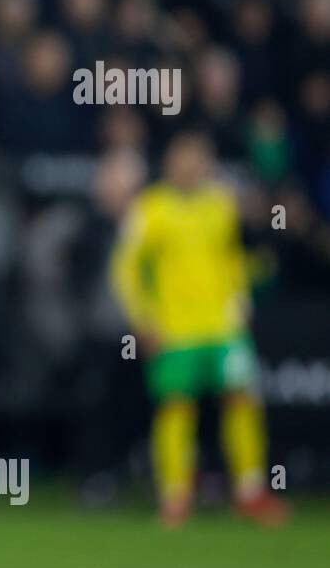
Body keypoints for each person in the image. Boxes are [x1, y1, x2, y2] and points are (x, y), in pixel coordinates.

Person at [111, 129, 287, 528]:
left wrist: (243, 292)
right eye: (185, 155)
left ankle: (250, 491)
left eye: (200, 156)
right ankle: (175, 496)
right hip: (175, 330)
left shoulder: (221, 204)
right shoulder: (151, 207)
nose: (193, 164)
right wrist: (142, 319)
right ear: (171, 160)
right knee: (176, 407)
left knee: (242, 401)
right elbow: (125, 268)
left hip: (224, 327)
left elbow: (229, 260)